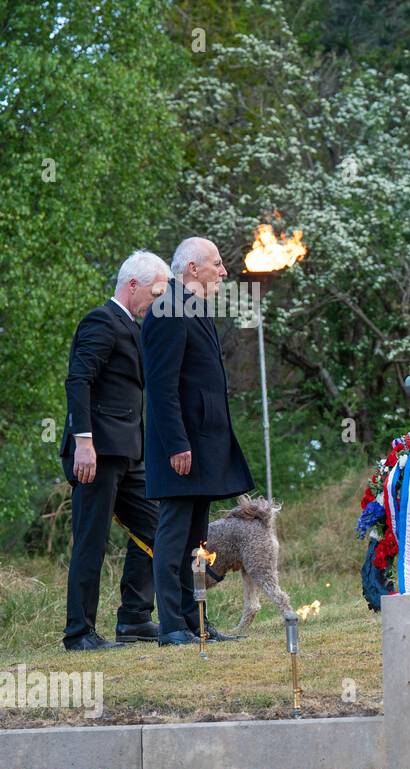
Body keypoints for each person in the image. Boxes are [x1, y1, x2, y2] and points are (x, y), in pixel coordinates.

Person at [141, 237, 253, 645]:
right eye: (217, 264)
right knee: (173, 535)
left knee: (196, 539)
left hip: (203, 444)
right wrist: (176, 444)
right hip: (182, 447)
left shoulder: (192, 308)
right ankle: (171, 624)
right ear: (192, 269)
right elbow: (161, 387)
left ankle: (194, 621)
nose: (224, 272)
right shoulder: (166, 311)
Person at [59, 251, 171, 651]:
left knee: (158, 528)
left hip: (129, 454)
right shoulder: (101, 321)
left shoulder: (133, 327)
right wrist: (83, 442)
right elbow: (79, 381)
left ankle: (135, 618)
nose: (159, 302)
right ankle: (79, 633)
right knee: (91, 539)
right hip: (97, 453)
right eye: (157, 293)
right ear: (133, 285)